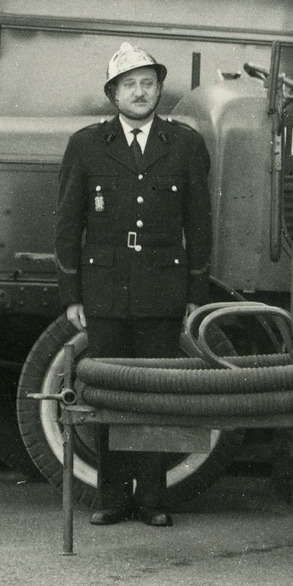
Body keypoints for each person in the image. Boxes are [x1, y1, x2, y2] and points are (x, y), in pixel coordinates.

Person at [54, 42, 215, 528]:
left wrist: (194, 294)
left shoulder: (184, 144)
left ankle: (151, 498)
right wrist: (72, 295)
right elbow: (67, 225)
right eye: (129, 85)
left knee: (155, 396)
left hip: (162, 290)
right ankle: (111, 496)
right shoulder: (86, 145)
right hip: (104, 290)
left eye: (148, 83)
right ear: (113, 94)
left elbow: (200, 224)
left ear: (159, 89)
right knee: (108, 395)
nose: (140, 92)